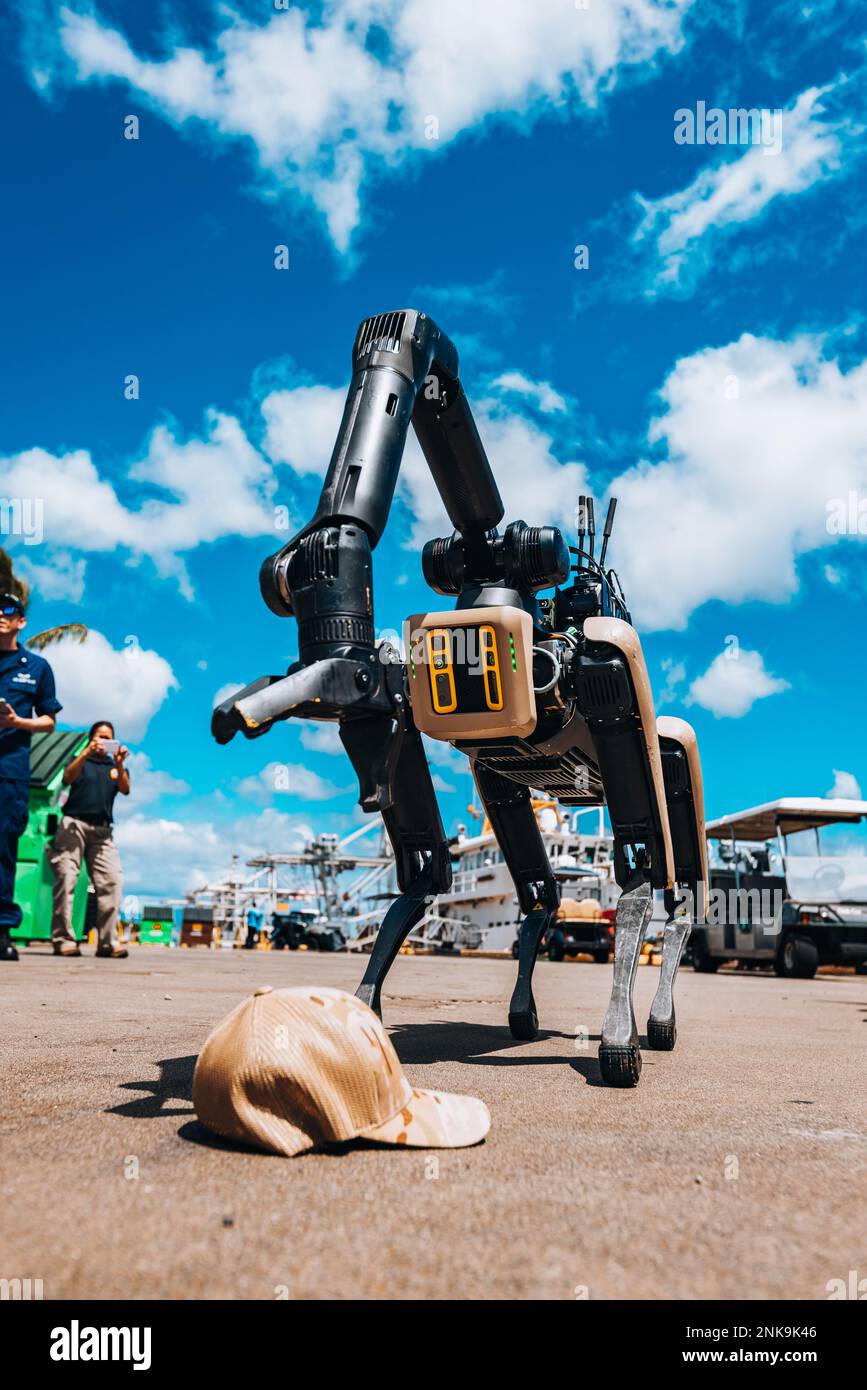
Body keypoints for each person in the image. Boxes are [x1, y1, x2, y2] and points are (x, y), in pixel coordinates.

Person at [0, 591, 62, 962]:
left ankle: (2, 932)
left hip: (8, 772)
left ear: (21, 621)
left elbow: (50, 720)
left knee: (3, 850)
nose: (0, 615)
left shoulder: (37, 667)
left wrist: (15, 722)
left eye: (8, 610)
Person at [48, 721, 131, 959]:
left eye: (108, 737)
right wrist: (85, 752)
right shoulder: (79, 759)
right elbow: (67, 778)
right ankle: (64, 939)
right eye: (99, 736)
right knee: (66, 879)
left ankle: (107, 942)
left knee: (112, 882)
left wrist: (119, 763)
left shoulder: (115, 766)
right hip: (74, 825)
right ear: (91, 738)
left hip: (102, 831)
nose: (103, 741)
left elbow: (125, 789)